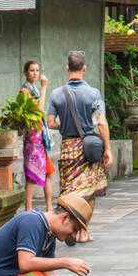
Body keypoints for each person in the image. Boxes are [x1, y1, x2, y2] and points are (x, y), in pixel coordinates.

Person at [46, 50, 112, 243]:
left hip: (67, 146)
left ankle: (67, 230)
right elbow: (101, 123)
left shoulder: (56, 94)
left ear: (67, 68)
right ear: (84, 68)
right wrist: (107, 149)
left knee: (68, 191)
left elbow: (50, 122)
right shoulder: (94, 93)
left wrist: (65, 125)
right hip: (88, 148)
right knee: (90, 190)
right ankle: (83, 231)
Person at [20, 59, 55, 210]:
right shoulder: (25, 91)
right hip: (32, 138)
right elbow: (38, 110)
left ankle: (49, 207)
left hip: (40, 138)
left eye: (37, 71)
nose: (35, 73)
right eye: (32, 70)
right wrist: (44, 88)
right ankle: (28, 208)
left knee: (49, 172)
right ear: (26, 72)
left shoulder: (33, 89)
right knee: (31, 176)